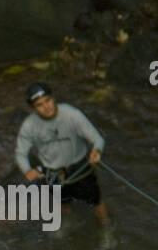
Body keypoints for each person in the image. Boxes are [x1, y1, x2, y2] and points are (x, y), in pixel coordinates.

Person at [15, 83, 110, 226]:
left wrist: (96, 151)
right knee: (62, 203)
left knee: (95, 200)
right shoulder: (29, 125)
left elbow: (97, 139)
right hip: (53, 171)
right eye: (40, 105)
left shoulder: (72, 114)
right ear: (34, 109)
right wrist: (27, 169)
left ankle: (106, 228)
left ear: (53, 98)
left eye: (48, 100)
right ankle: (67, 225)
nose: (46, 107)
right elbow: (20, 153)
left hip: (80, 167)